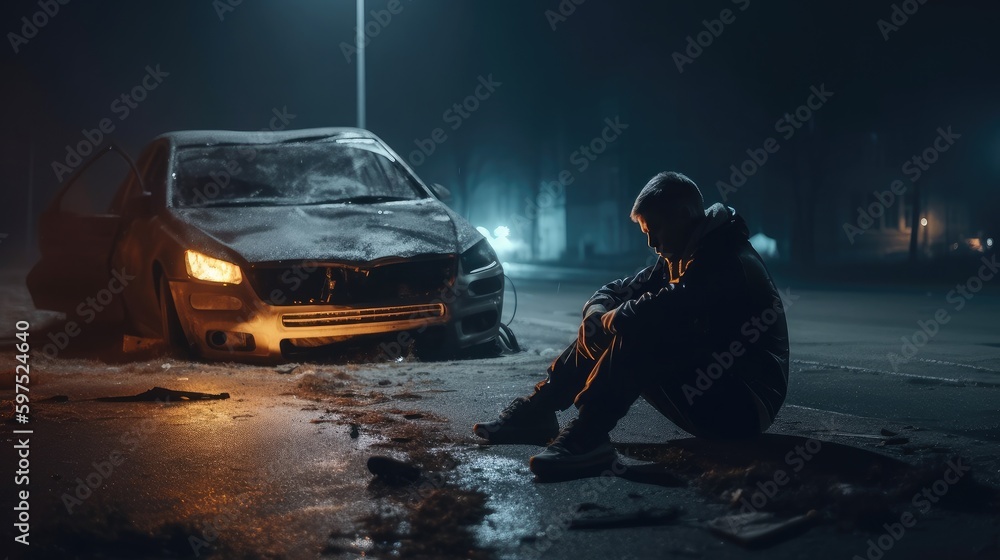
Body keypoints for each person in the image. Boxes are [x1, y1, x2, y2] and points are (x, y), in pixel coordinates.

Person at [473, 171, 789, 480]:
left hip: (744, 405)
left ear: (683, 214)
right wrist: (597, 313)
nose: (651, 242)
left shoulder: (728, 258)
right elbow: (620, 289)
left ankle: (588, 437)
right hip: (713, 388)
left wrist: (611, 320)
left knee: (642, 327)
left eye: (656, 230)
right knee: (615, 322)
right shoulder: (681, 252)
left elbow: (671, 306)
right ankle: (540, 410)